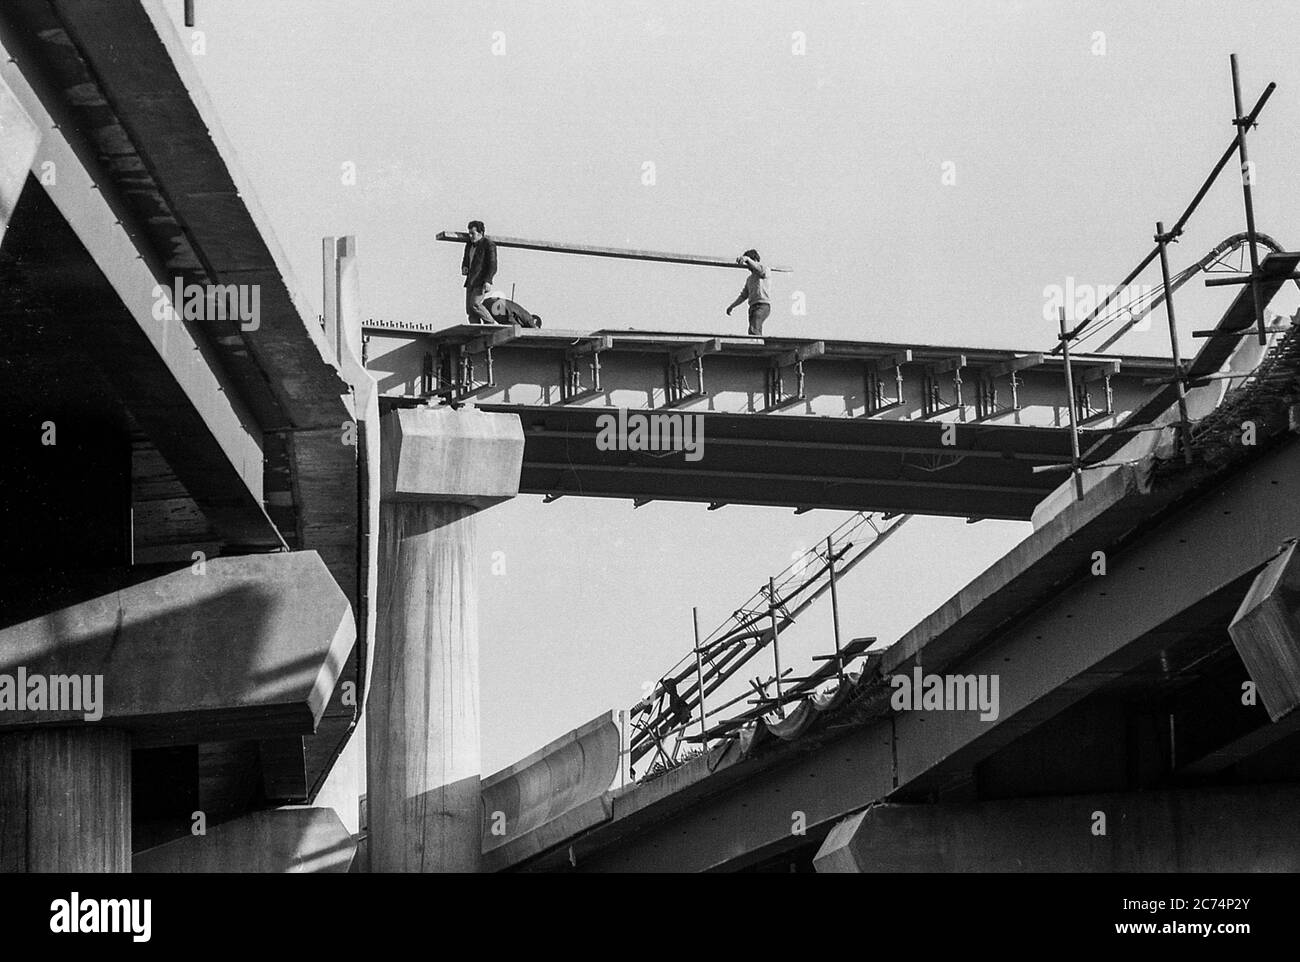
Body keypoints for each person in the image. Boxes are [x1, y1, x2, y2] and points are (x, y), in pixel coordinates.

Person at [726, 248, 771, 336]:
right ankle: (758, 343)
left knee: (754, 327)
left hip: (763, 306)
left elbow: (758, 268)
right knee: (754, 328)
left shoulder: (764, 270)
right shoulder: (750, 279)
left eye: (748, 264)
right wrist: (732, 306)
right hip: (753, 307)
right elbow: (743, 296)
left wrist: (747, 259)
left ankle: (756, 345)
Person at [461, 220, 498, 324]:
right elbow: (466, 259)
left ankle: (490, 323)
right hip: (471, 280)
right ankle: (476, 330)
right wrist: (464, 267)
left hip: (481, 280)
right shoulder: (469, 244)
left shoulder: (489, 245)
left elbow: (493, 265)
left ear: (480, 233)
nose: (470, 236)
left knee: (475, 304)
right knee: (470, 310)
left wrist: (488, 281)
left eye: (473, 233)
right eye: (469, 233)